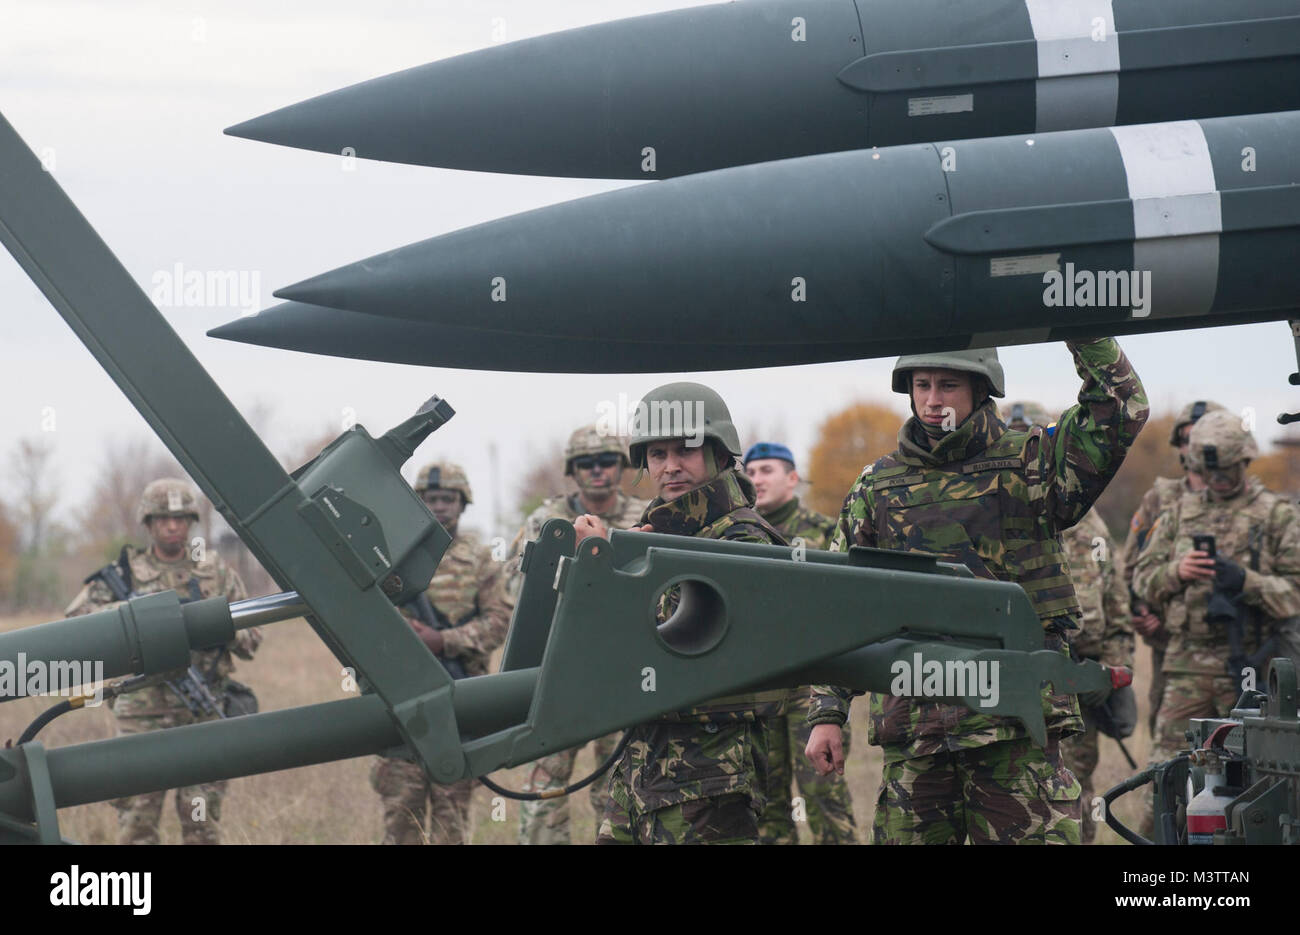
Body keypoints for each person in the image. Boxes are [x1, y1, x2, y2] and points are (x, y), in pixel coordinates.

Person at [805, 340, 1147, 845]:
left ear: (981, 389)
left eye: (948, 385)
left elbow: (1120, 408)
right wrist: (827, 714)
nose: (932, 400)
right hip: (916, 738)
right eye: (922, 385)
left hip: (1016, 733)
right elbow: (839, 608)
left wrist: (1083, 325)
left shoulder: (1033, 465)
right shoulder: (877, 488)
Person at [575, 382, 785, 844]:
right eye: (657, 453)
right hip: (638, 772)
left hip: (707, 779)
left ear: (720, 453)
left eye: (686, 449)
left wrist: (611, 566)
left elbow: (710, 653)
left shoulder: (744, 539)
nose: (670, 466)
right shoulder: (655, 535)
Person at [65, 477, 258, 845]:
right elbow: (77, 625)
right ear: (149, 524)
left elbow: (252, 641)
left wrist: (219, 629)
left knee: (202, 828)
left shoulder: (215, 573)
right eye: (163, 519)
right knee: (137, 826)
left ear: (191, 523)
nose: (173, 526)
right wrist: (134, 619)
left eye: (181, 518)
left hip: (202, 715)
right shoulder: (123, 573)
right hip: (141, 718)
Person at [1132, 410, 1300, 833]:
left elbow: (1295, 593)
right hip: (1186, 666)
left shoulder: (1277, 516)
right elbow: (1142, 581)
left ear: (1244, 461)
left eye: (1225, 469)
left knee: (1256, 789)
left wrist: (1248, 581)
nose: (1217, 479)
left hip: (1252, 670)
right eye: (1209, 471)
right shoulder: (1176, 513)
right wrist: (1178, 571)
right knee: (1164, 783)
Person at [509, 425, 648, 844]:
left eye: (607, 461)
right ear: (573, 470)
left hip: (622, 671)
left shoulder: (645, 517)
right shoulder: (545, 520)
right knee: (544, 788)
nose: (598, 471)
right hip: (560, 670)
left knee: (621, 785)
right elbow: (520, 591)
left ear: (620, 467)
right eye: (586, 464)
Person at [1007, 402, 1135, 844]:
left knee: (1071, 790)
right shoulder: (995, 521)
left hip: (1075, 685)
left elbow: (1118, 612)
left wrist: (1109, 676)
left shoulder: (1090, 527)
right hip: (1010, 682)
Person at [370, 461, 510, 844]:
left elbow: (500, 621)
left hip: (460, 707)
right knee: (401, 825)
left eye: (449, 498)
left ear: (463, 504)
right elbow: (368, 624)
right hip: (403, 707)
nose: (441, 506)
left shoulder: (480, 558)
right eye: (431, 498)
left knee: (452, 825)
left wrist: (444, 641)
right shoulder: (391, 556)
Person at [742, 441, 858, 845]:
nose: (757, 479)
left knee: (823, 796)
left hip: (812, 689)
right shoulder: (738, 537)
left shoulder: (825, 532)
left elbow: (847, 609)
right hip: (756, 688)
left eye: (766, 471)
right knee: (766, 805)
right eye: (751, 472)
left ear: (792, 478)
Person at [1121, 401, 1221, 735]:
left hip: (1237, 646)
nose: (1194, 447)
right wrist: (1141, 612)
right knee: (1170, 743)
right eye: (1188, 439)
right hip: (1171, 642)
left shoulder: (1246, 502)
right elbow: (1132, 565)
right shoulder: (1161, 499)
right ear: (1179, 446)